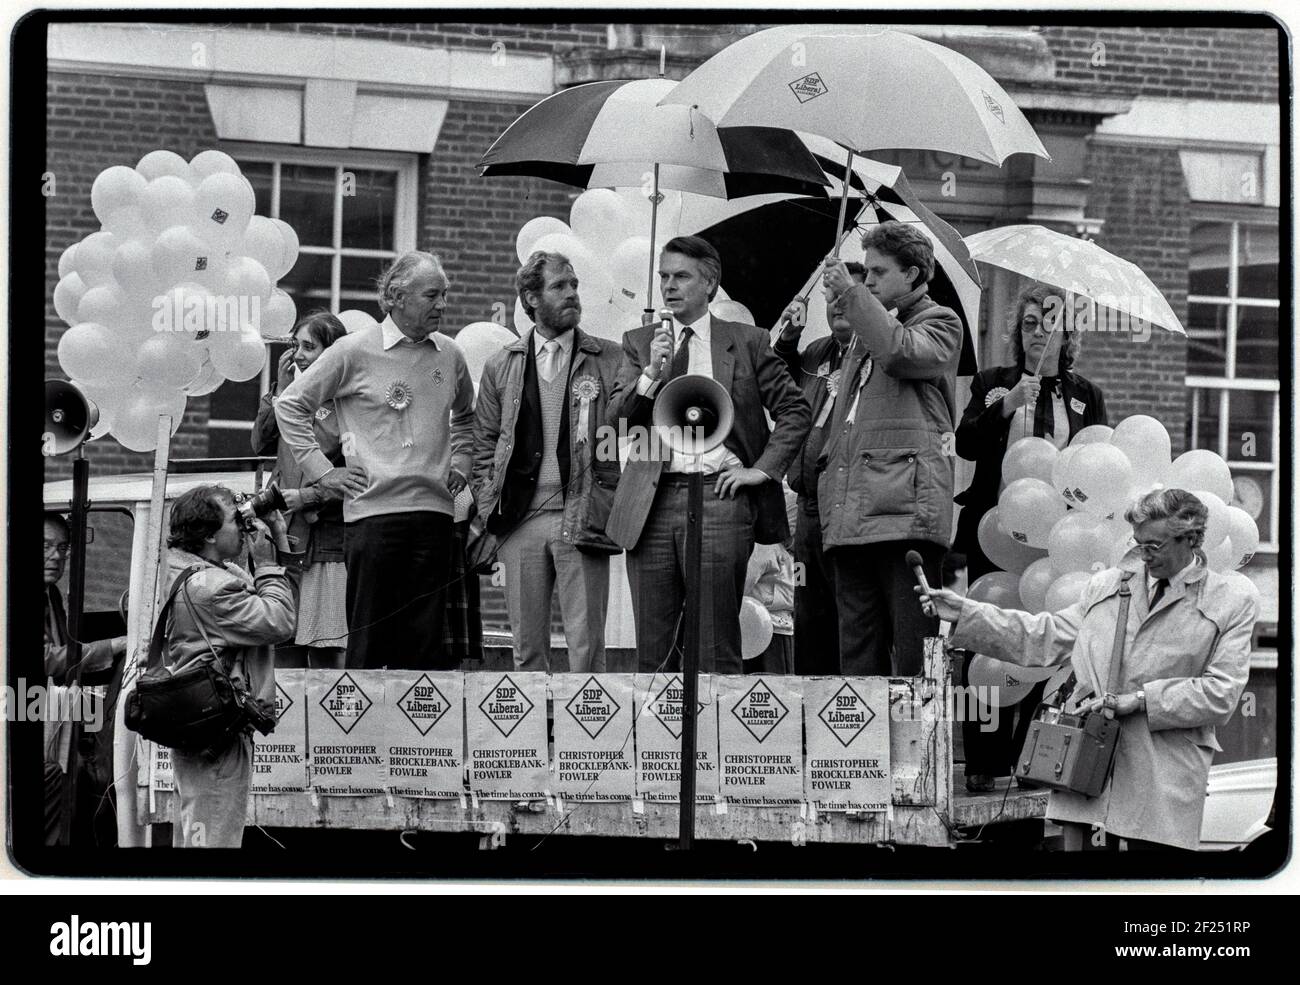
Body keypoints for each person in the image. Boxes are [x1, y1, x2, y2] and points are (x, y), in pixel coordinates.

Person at [918, 489, 1256, 851]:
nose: (1144, 555)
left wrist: (1141, 700)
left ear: (1190, 538)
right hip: (1086, 770)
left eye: (1154, 546)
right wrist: (967, 613)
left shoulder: (1231, 600)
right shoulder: (1107, 584)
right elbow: (1044, 637)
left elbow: (1222, 694)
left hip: (1163, 778)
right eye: (1139, 543)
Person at [606, 235, 811, 675]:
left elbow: (795, 410)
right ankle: (658, 723)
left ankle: (714, 723)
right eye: (664, 276)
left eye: (681, 276)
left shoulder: (748, 341)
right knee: (654, 651)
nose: (669, 286)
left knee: (715, 644)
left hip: (721, 497)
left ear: (710, 284)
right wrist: (650, 374)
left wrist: (762, 471)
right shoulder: (639, 343)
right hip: (653, 502)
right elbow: (616, 420)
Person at [275, 251, 476, 670]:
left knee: (427, 653)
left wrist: (462, 460)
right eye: (432, 295)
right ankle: (368, 717)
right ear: (397, 297)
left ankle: (419, 718)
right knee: (369, 646)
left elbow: (466, 416)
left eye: (444, 294)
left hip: (436, 517)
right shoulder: (352, 350)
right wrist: (323, 473)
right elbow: (290, 405)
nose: (442, 305)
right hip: (372, 517)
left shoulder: (451, 354)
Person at [952, 283, 1109, 791]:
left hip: (1057, 543)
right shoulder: (993, 383)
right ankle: (983, 761)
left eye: (1050, 324)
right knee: (988, 638)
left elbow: (1100, 464)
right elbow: (966, 443)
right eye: (1029, 324)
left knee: (1050, 645)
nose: (1038, 333)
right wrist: (1007, 405)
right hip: (995, 534)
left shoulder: (1087, 396)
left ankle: (1031, 759)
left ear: (1069, 335)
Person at [818, 221, 963, 677]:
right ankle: (865, 730)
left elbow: (902, 354)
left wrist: (852, 294)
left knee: (915, 657)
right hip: (853, 514)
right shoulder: (867, 330)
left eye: (879, 272)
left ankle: (920, 729)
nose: (870, 280)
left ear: (914, 274)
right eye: (867, 272)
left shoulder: (941, 322)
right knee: (857, 658)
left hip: (906, 516)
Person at [473, 251, 622, 673]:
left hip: (585, 515)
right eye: (559, 286)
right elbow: (484, 446)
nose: (572, 293)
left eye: (574, 285)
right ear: (531, 298)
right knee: (527, 649)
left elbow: (632, 426)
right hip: (519, 521)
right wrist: (488, 512)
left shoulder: (610, 358)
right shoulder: (501, 364)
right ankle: (533, 721)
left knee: (587, 649)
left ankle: (587, 720)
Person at [161, 485, 295, 848]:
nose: (243, 525)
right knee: (212, 846)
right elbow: (281, 621)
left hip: (203, 727)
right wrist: (265, 563)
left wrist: (278, 536)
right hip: (217, 737)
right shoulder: (211, 588)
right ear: (208, 535)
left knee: (198, 838)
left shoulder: (202, 572)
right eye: (235, 520)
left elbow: (281, 599)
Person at [773, 262, 866, 676]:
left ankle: (849, 707)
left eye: (847, 296)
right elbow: (778, 388)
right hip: (808, 507)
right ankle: (809, 705)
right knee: (808, 613)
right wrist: (788, 340)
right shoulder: (815, 353)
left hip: (849, 505)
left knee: (851, 617)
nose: (837, 305)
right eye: (831, 297)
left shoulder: (875, 354)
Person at [251, 310, 349, 669]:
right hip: (283, 539)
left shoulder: (349, 403)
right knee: (281, 645)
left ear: (333, 353)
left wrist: (307, 497)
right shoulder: (292, 396)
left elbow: (361, 476)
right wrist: (280, 389)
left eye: (309, 347)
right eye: (296, 346)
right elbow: (259, 443)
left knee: (325, 650)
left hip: (325, 544)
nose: (299, 355)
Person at [43, 513, 127, 847]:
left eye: (62, 548)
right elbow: (48, 659)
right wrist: (113, 646)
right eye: (45, 546)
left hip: (45, 708)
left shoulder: (51, 595)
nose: (56, 556)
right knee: (69, 772)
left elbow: (67, 652)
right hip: (21, 709)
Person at [743, 540, 795, 674]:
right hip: (762, 630)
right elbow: (743, 586)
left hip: (786, 629)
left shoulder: (796, 553)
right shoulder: (764, 548)